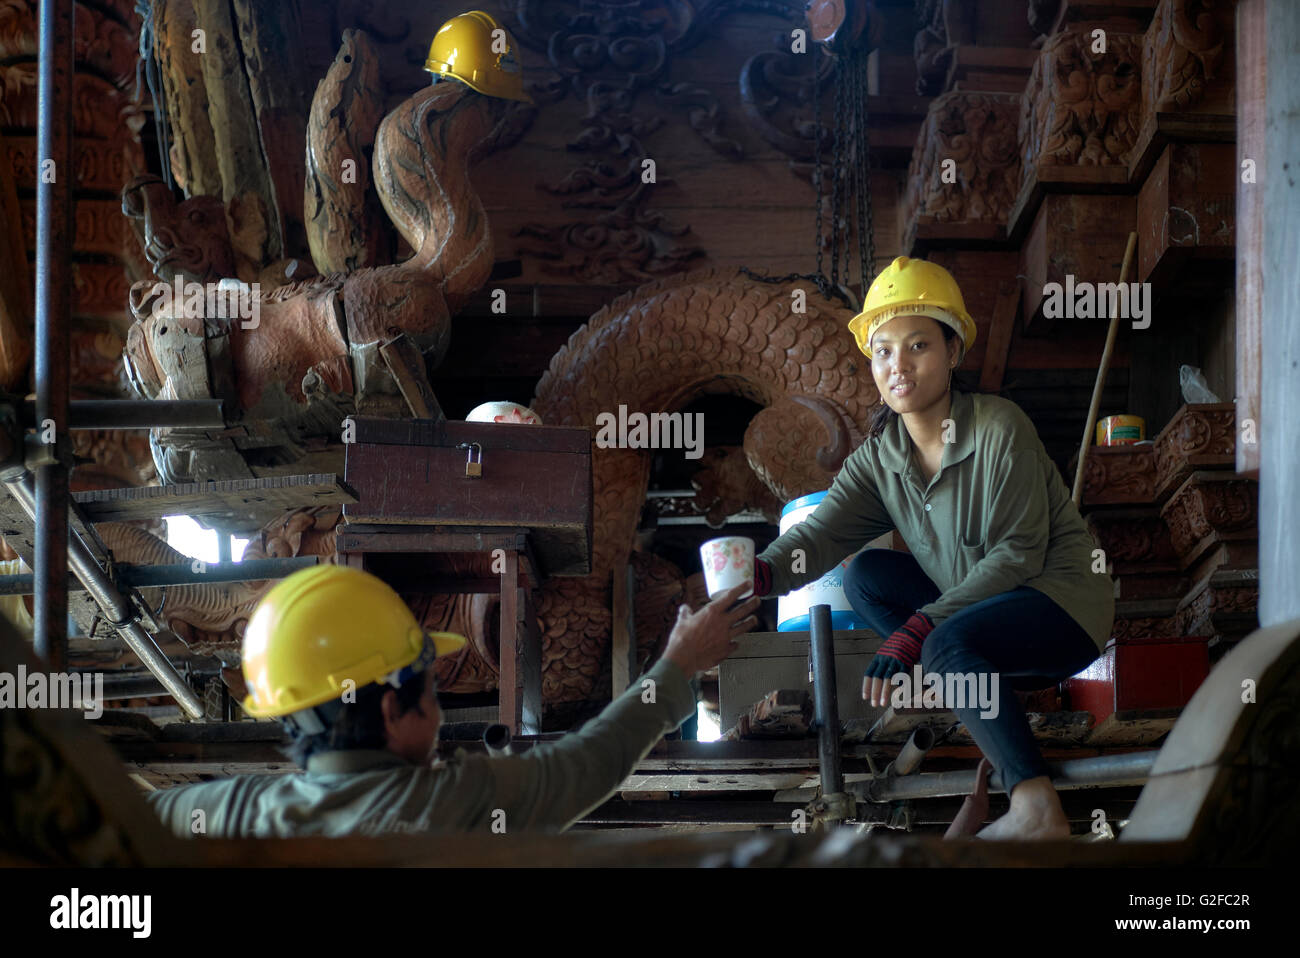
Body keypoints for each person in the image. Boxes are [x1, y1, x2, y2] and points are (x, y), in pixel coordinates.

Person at [751, 256, 1114, 840]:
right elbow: (820, 535)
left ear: (952, 352)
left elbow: (1019, 554)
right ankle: (950, 669)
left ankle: (1036, 807)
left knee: (945, 640)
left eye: (918, 345)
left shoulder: (999, 427)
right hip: (975, 619)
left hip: (1059, 606)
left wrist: (919, 630)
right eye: (883, 351)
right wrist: (758, 578)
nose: (898, 365)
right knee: (866, 573)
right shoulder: (881, 458)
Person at [146, 565, 758, 838]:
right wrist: (680, 663)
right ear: (390, 711)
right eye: (432, 691)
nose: (439, 715)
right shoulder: (450, 805)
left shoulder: (231, 812)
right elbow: (592, 759)